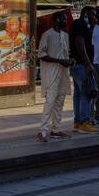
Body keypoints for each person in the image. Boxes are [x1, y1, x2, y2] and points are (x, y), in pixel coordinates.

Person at [36, 11, 73, 142]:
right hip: (51, 73)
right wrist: (59, 60)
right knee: (50, 101)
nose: (66, 21)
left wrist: (69, 61)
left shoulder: (65, 36)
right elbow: (41, 54)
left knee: (60, 102)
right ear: (57, 20)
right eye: (63, 19)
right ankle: (43, 131)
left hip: (63, 73)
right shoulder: (47, 35)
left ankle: (56, 129)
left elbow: (65, 54)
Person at [69, 7, 98, 134]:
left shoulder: (78, 24)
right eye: (93, 15)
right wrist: (88, 64)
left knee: (78, 93)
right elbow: (80, 45)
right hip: (82, 65)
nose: (94, 18)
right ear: (86, 14)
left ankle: (78, 122)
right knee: (86, 93)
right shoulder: (80, 24)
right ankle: (84, 122)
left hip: (78, 65)